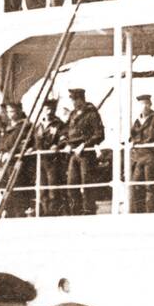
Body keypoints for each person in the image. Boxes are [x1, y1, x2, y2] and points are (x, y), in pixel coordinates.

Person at [63, 87, 105, 216]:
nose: (74, 103)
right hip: (74, 154)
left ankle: (88, 212)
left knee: (87, 184)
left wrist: (85, 145)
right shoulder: (72, 115)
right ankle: (75, 212)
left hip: (86, 153)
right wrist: (67, 144)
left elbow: (99, 134)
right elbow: (66, 132)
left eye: (76, 100)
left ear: (82, 99)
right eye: (72, 100)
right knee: (72, 183)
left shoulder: (91, 114)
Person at [35, 97, 66, 216]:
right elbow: (35, 140)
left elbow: (64, 138)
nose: (48, 111)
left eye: (51, 108)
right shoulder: (39, 125)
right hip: (41, 160)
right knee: (42, 188)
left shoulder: (58, 124)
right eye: (46, 108)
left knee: (53, 187)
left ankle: (53, 212)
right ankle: (45, 211)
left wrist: (57, 146)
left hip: (53, 161)